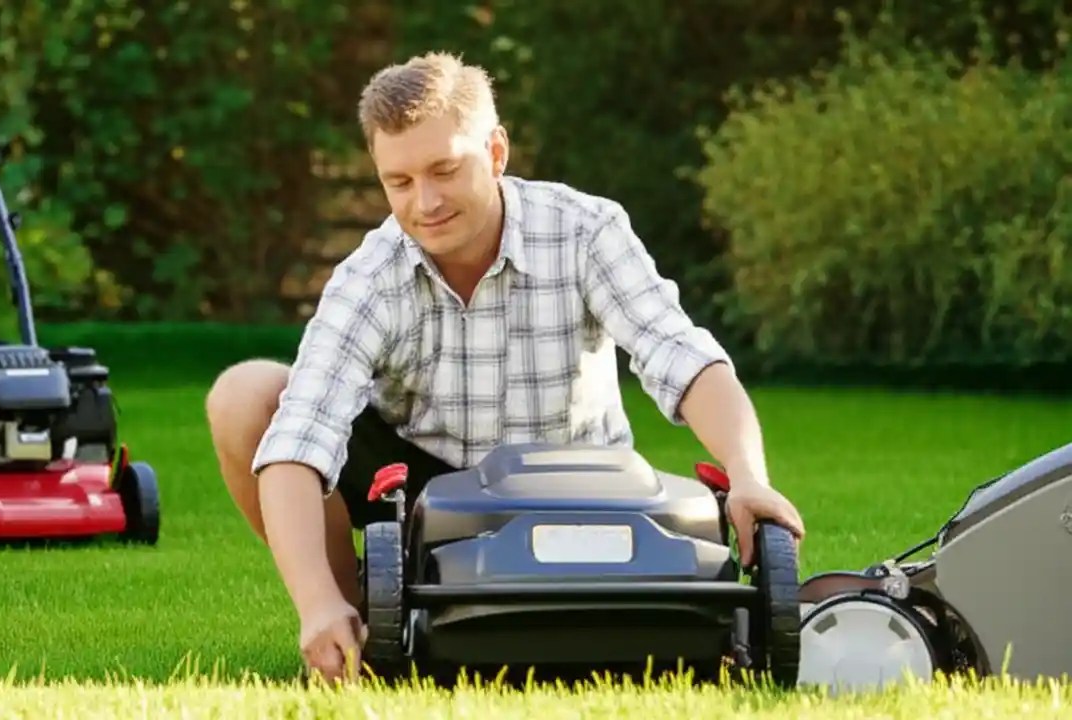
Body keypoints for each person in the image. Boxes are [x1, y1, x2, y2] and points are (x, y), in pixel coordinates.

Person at [205, 51, 805, 684]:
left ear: (495, 153)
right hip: (419, 488)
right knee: (247, 396)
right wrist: (316, 604)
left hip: (575, 481)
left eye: (444, 170)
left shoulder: (585, 230)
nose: (425, 202)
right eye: (400, 182)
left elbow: (683, 358)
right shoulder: (369, 277)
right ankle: (355, 630)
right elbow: (301, 438)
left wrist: (747, 475)